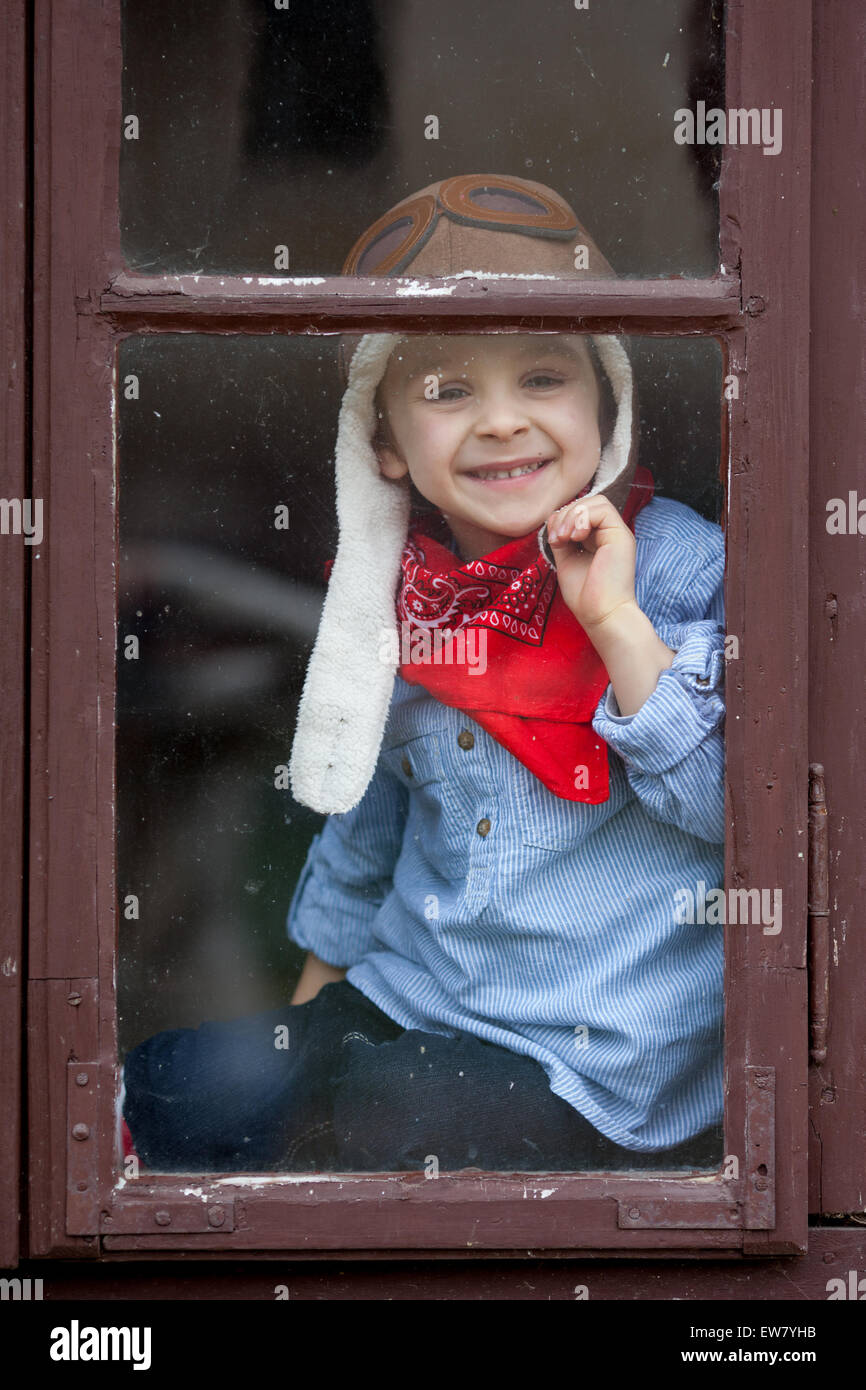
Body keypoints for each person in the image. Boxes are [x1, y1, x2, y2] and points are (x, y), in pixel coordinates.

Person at [122, 175, 726, 1174]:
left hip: (587, 1071)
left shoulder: (677, 571)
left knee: (377, 1125)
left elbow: (725, 802)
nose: (500, 422)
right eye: (448, 390)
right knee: (170, 1081)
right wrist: (296, 1038)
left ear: (606, 397)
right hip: (405, 1005)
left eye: (541, 378)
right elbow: (367, 833)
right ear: (387, 444)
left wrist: (613, 620)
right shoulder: (397, 598)